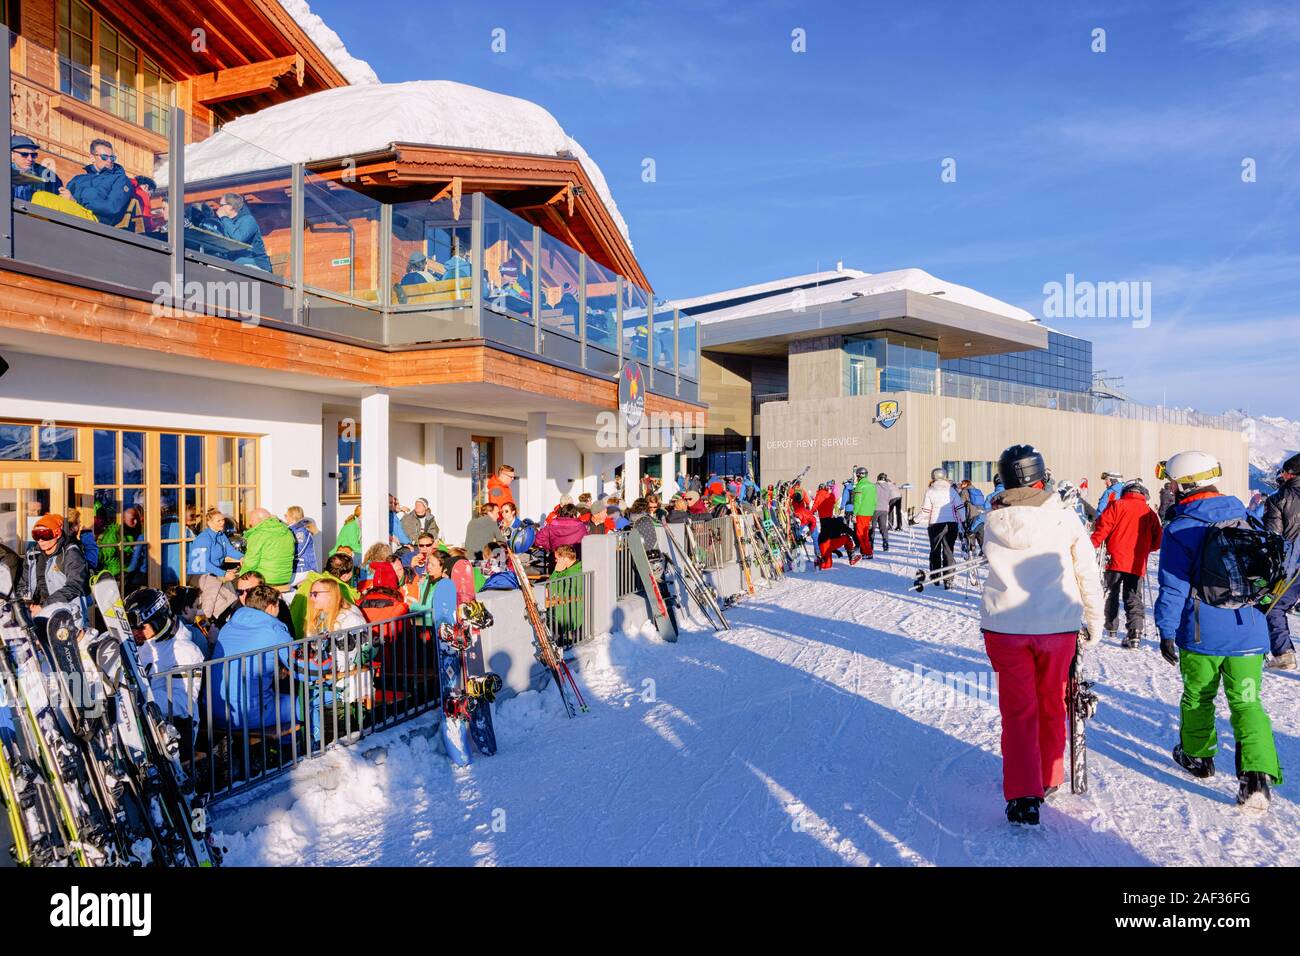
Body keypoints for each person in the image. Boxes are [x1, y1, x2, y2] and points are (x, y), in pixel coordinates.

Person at [981, 445, 1105, 826]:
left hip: (1004, 627)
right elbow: (1086, 571)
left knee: (1018, 711)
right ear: (1040, 477)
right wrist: (1094, 621)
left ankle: (1022, 793)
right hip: (1055, 626)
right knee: (1052, 701)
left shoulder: (993, 520)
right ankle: (1049, 778)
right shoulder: (1065, 519)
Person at [1156, 450, 1282, 809]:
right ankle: (1256, 779)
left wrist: (1166, 630)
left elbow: (1174, 587)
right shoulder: (1247, 518)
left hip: (1202, 633)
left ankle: (1199, 757)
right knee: (1247, 702)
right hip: (1249, 631)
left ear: (1184, 485)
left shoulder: (1181, 529)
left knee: (1198, 697)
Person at [123, 588, 205, 761]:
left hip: (173, 731)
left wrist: (143, 698)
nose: (135, 632)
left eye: (141, 627)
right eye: (132, 628)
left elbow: (184, 702)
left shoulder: (185, 651)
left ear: (159, 621)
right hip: (138, 723)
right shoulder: (142, 644)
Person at [209, 584, 297, 736]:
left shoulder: (228, 626)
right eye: (278, 604)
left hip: (215, 711)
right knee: (305, 704)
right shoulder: (274, 629)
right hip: (249, 713)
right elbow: (299, 666)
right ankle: (293, 751)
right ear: (271, 607)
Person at [1090, 479, 1162, 648]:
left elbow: (1102, 528)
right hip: (1137, 562)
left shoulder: (1116, 505)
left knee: (1111, 593)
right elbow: (1158, 541)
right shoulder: (1149, 512)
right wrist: (1145, 550)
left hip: (1114, 559)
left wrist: (1090, 544)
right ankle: (1135, 633)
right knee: (1134, 596)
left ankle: (1111, 626)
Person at [1262, 453, 1300, 670]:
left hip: (1293, 564)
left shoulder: (1279, 498)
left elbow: (1273, 538)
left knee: (1274, 608)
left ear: (1290, 473)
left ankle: (1284, 654)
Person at [18, 514, 88, 622]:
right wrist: (24, 605)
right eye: (36, 535)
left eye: (45, 535)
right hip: (36, 615)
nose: (40, 540)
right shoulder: (32, 554)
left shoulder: (70, 553)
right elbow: (23, 584)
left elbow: (75, 586)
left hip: (66, 616)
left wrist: (44, 606)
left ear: (57, 534)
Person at [67, 138, 135, 226]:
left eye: (112, 157)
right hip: (70, 215)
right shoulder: (78, 179)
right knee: (45, 199)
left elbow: (112, 208)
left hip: (95, 221)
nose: (109, 160)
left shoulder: (120, 179)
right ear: (92, 158)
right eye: (104, 157)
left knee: (45, 200)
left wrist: (76, 202)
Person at [919, 469, 964, 590]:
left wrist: (915, 520)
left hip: (935, 524)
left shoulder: (930, 491)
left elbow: (926, 511)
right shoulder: (952, 491)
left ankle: (935, 576)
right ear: (945, 477)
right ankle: (948, 579)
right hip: (951, 524)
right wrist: (963, 521)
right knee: (948, 551)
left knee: (935, 550)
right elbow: (960, 507)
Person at [228, 508, 295, 588]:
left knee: (230, 585)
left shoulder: (258, 534)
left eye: (251, 520)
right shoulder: (287, 531)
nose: (249, 523)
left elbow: (251, 562)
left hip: (265, 580)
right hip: (285, 578)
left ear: (259, 520)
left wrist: (241, 576)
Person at [212, 193, 273, 272]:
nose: (219, 208)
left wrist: (224, 217)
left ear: (231, 206)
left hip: (256, 264)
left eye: (222, 205)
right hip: (237, 263)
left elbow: (238, 238)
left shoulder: (248, 220)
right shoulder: (225, 223)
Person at [11, 134, 71, 202]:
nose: (30, 158)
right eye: (24, 154)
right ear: (12, 155)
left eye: (33, 155)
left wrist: (70, 201)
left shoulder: (49, 176)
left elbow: (58, 202)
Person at [812, 482, 857, 570]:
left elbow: (815, 505)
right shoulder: (831, 496)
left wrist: (813, 511)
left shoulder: (818, 495)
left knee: (827, 566)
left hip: (824, 542)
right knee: (846, 538)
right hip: (829, 540)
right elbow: (834, 501)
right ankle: (852, 557)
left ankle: (820, 561)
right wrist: (855, 536)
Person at [548, 544, 585, 646]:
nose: (555, 561)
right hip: (575, 611)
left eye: (557, 559)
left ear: (564, 558)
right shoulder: (578, 567)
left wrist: (556, 571)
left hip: (567, 613)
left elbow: (551, 590)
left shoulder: (569, 574)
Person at [285, 506, 319, 581]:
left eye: (286, 515)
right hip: (296, 569)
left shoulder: (301, 531)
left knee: (284, 585)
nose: (285, 517)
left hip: (303, 569)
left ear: (292, 516)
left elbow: (299, 550)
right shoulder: (292, 530)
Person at [850, 466, 878, 559]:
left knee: (860, 534)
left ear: (858, 475)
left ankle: (867, 552)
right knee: (865, 534)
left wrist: (854, 513)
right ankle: (867, 551)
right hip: (869, 513)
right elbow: (875, 501)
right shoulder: (872, 485)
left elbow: (858, 501)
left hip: (861, 513)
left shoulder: (860, 486)